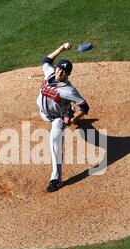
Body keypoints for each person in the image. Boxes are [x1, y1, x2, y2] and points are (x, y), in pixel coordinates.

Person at [36, 43, 90, 192]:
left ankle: (56, 179)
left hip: (57, 118)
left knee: (55, 140)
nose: (60, 73)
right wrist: (61, 48)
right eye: (59, 69)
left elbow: (85, 107)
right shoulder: (50, 73)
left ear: (68, 75)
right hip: (43, 113)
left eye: (64, 72)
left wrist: (74, 120)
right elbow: (46, 60)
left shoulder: (69, 90)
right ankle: (69, 112)